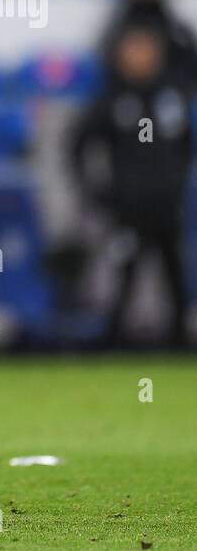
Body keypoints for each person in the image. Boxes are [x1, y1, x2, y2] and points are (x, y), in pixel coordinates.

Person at [71, 25, 193, 347]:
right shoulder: (113, 98)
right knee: (126, 270)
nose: (140, 58)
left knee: (174, 272)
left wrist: (177, 180)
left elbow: (185, 144)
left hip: (167, 204)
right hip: (129, 206)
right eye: (133, 51)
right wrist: (96, 190)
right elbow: (79, 144)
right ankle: (115, 342)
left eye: (146, 50)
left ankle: (180, 343)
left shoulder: (173, 95)